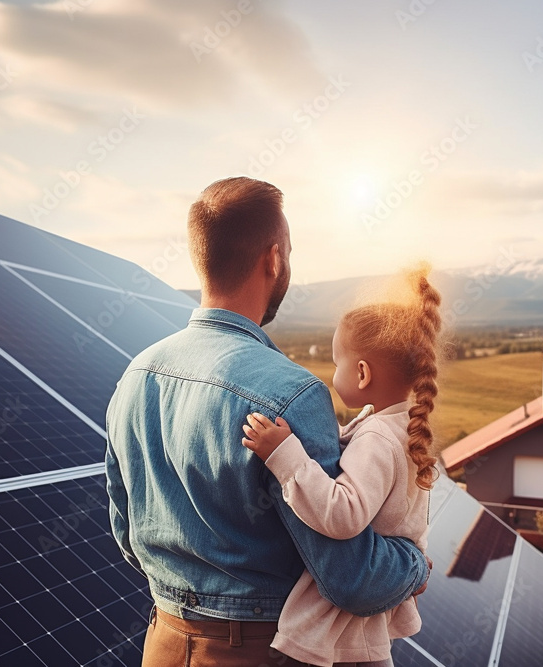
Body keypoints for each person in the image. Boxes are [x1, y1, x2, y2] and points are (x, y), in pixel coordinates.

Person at [104, 176, 430, 667]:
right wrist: (412, 566)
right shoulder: (291, 394)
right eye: (291, 254)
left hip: (165, 642)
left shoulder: (135, 377)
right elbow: (350, 579)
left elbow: (127, 532)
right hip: (260, 651)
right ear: (274, 259)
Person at [241, 265, 442, 667]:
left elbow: (344, 514)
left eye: (338, 363)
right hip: (366, 625)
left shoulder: (379, 440)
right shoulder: (397, 426)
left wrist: (285, 455)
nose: (334, 376)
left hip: (339, 632)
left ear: (363, 372)